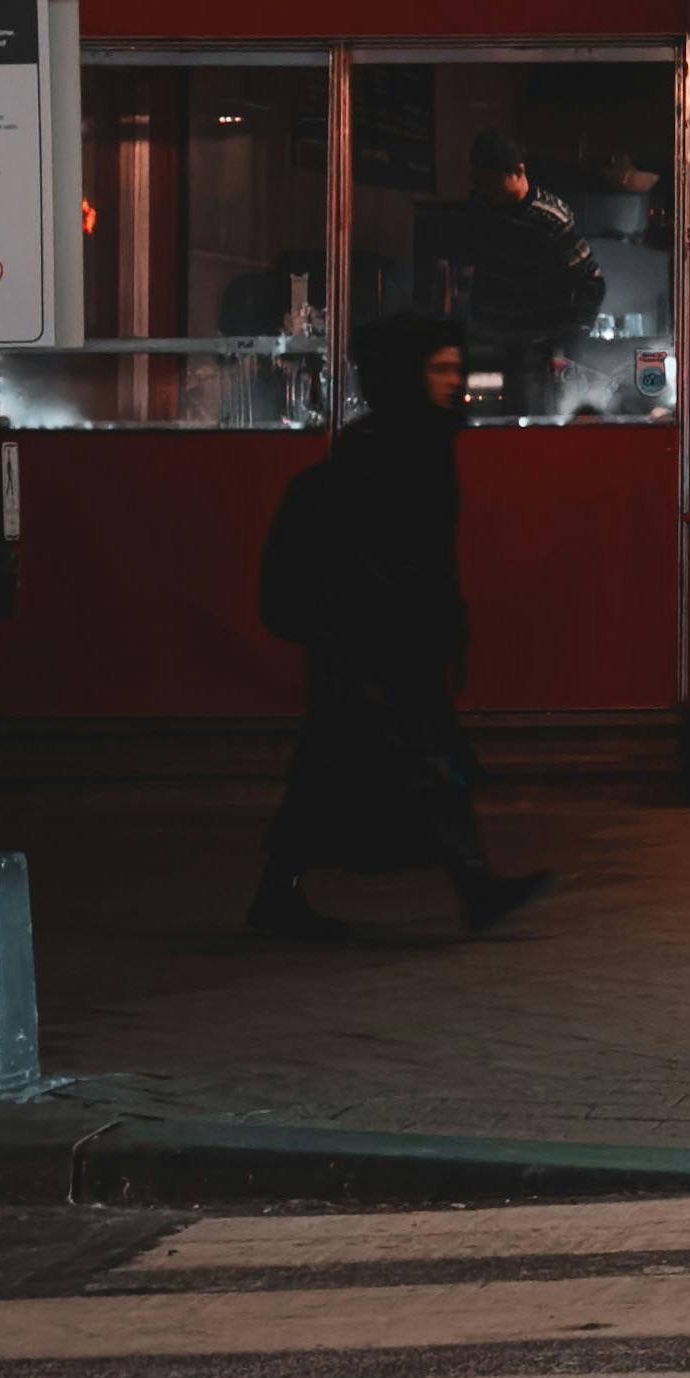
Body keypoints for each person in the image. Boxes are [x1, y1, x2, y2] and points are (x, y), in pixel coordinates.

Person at [245, 312, 550, 940]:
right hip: (379, 638)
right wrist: (429, 623)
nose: (453, 380)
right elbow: (399, 557)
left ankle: (280, 895)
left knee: (332, 769)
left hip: (372, 636)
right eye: (439, 368)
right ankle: (474, 886)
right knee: (425, 761)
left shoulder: (407, 440)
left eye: (455, 367)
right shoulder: (401, 448)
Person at [459, 128, 604, 420]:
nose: (485, 190)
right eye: (479, 181)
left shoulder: (552, 218)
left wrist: (569, 343)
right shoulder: (481, 206)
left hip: (541, 344)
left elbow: (592, 283)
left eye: (492, 182)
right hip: (494, 338)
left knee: (539, 420)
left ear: (519, 171)